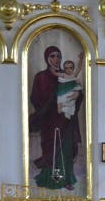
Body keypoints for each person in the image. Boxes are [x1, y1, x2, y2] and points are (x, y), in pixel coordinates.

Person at [29, 45, 82, 191]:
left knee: (65, 148)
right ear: (47, 58)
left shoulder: (67, 74)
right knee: (51, 148)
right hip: (50, 120)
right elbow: (34, 97)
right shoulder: (40, 77)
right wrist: (51, 103)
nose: (56, 59)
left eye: (58, 56)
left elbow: (77, 90)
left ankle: (66, 179)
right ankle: (48, 179)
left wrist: (78, 95)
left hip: (66, 119)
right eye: (52, 56)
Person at [55, 55, 83, 119]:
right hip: (64, 92)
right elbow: (56, 75)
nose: (68, 70)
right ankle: (61, 106)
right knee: (62, 99)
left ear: (73, 68)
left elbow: (79, 68)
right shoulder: (63, 75)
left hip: (72, 92)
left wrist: (81, 59)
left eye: (70, 68)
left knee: (72, 98)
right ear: (64, 69)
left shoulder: (73, 75)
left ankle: (63, 106)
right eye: (66, 68)